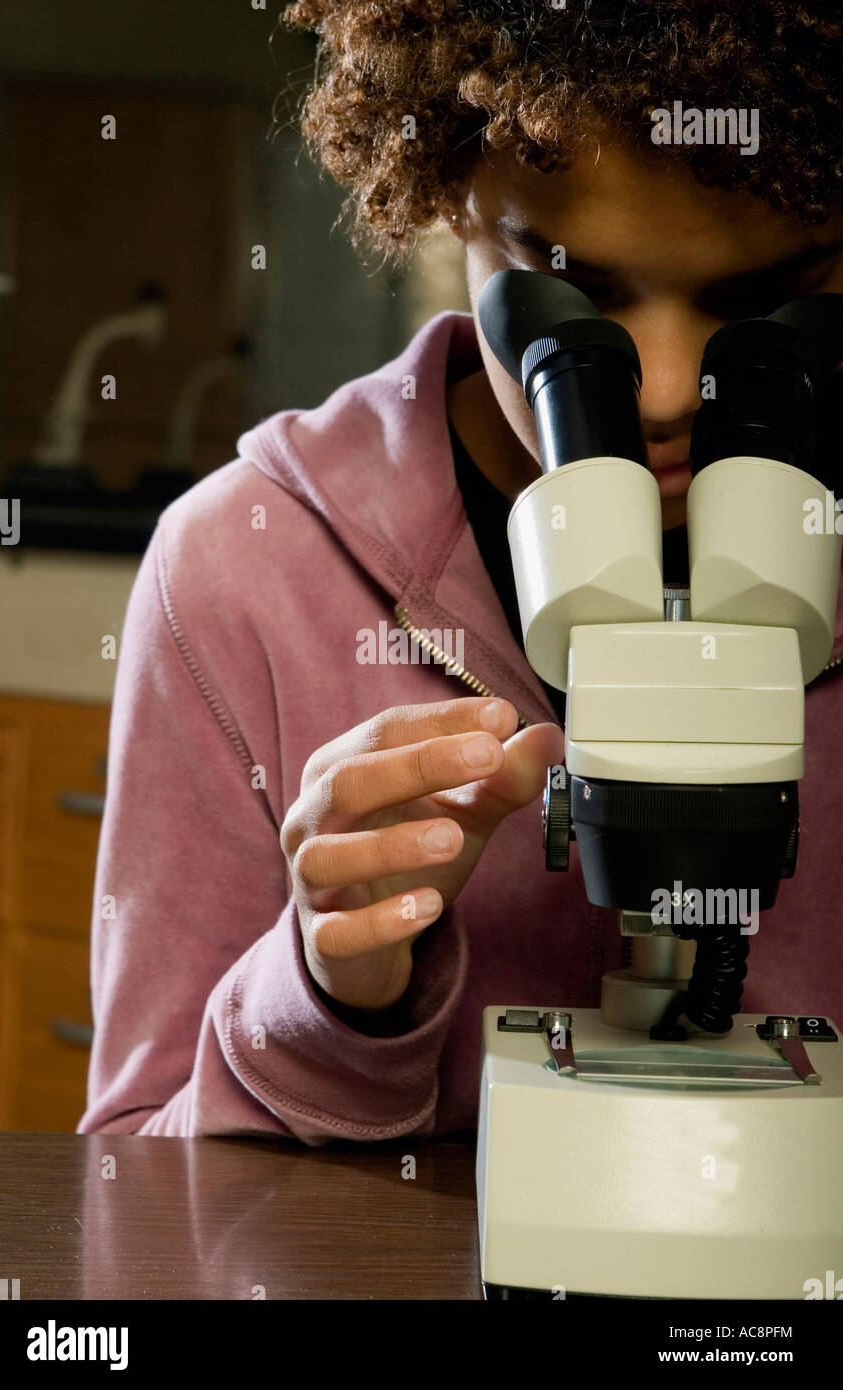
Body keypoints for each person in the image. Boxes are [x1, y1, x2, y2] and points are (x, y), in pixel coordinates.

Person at [78, 1, 843, 1143]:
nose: (666, 388)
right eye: (572, 284)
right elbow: (133, 1184)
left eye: (759, 297)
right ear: (447, 192)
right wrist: (333, 995)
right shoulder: (241, 569)